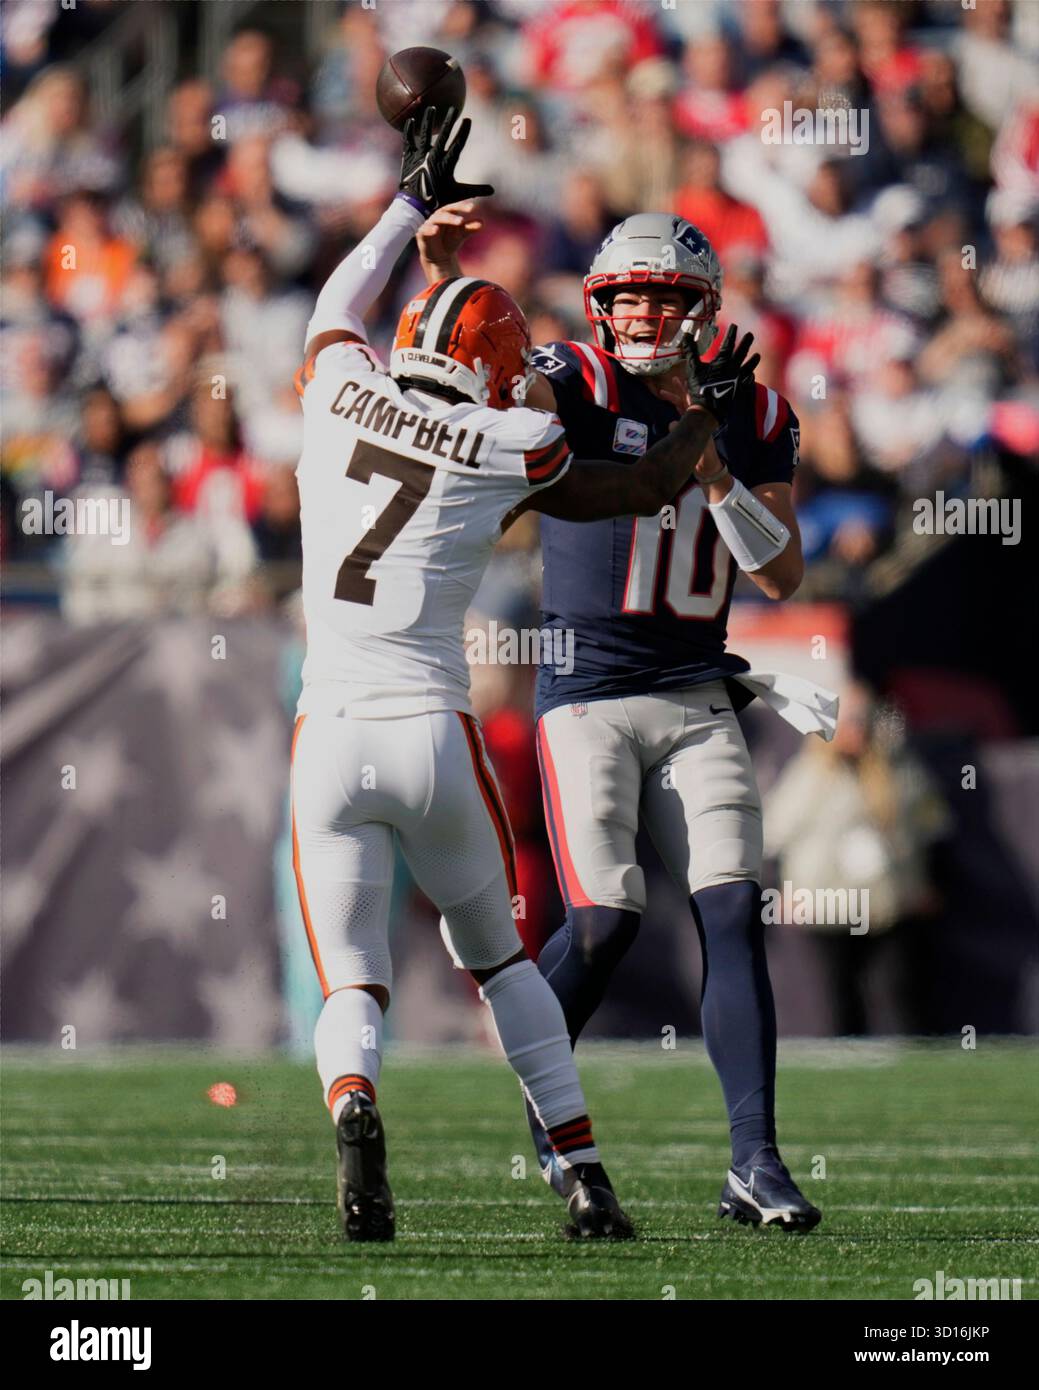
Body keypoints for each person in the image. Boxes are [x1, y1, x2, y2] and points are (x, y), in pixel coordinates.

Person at [291, 110, 752, 1242]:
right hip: (437, 740)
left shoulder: (332, 390)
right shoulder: (511, 446)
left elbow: (342, 303)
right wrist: (699, 427)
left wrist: (409, 209)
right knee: (501, 961)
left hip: (329, 736)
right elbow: (620, 487)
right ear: (498, 368)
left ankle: (355, 1104)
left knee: (352, 984)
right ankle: (584, 1173)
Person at [418, 203, 834, 1233]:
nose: (645, 313)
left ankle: (757, 1163)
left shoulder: (759, 415)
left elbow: (779, 573)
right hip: (588, 693)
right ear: (602, 303)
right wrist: (435, 267)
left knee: (733, 910)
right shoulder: (575, 381)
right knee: (603, 921)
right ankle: (542, 1086)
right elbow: (488, 380)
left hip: (697, 692)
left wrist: (713, 453)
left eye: (664, 295)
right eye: (628, 295)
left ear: (703, 307)